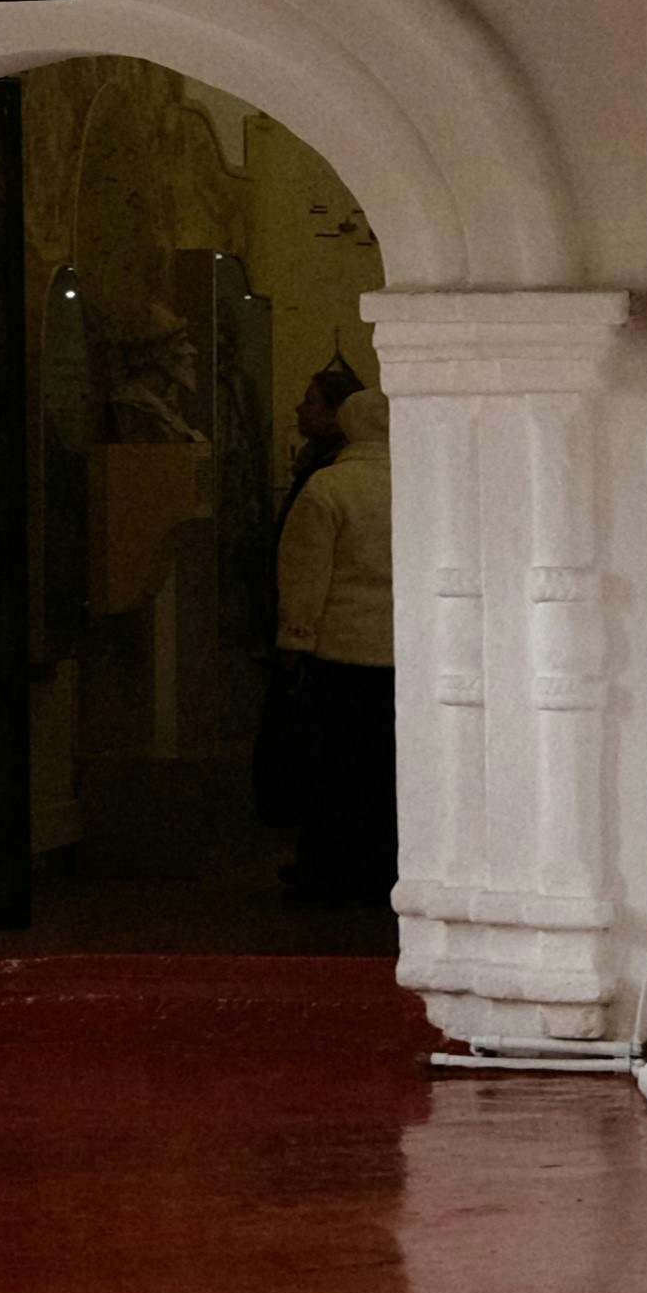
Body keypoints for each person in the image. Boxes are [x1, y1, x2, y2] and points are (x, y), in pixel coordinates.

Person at [272, 370, 396, 910]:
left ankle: (332, 870)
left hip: (340, 652)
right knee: (390, 768)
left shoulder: (327, 488)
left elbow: (305, 575)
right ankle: (388, 868)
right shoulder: (420, 484)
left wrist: (294, 639)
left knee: (336, 768)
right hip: (404, 653)